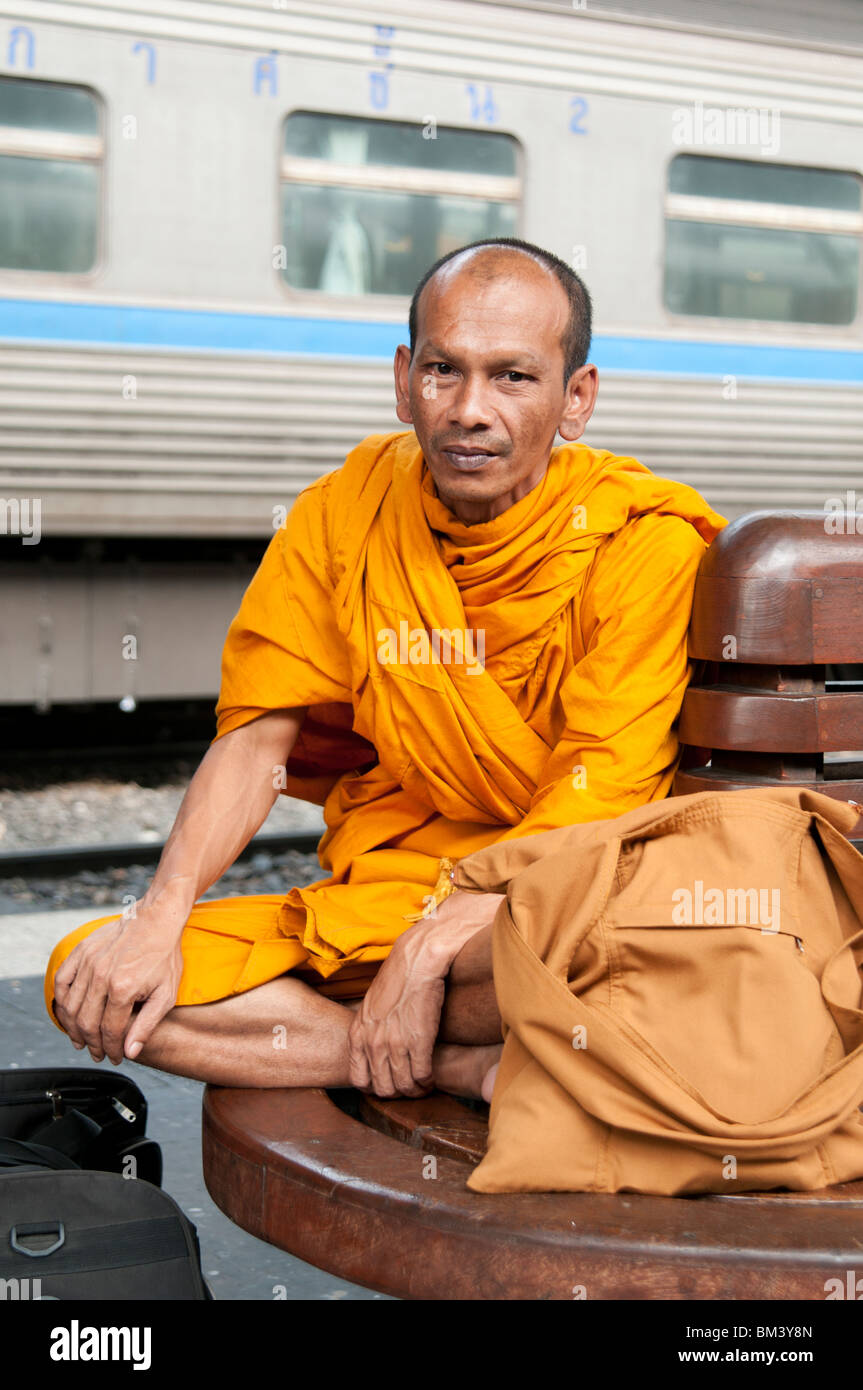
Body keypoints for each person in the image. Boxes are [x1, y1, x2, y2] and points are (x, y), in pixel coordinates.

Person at [44, 236, 727, 1103]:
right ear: (404, 380)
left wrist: (438, 940)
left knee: (559, 961)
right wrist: (157, 916)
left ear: (575, 398)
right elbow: (258, 743)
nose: (469, 410)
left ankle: (405, 1019)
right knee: (88, 978)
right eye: (444, 370)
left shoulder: (642, 542)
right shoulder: (347, 512)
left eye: (513, 377)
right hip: (381, 892)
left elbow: (598, 799)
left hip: (535, 900)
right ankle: (454, 1067)